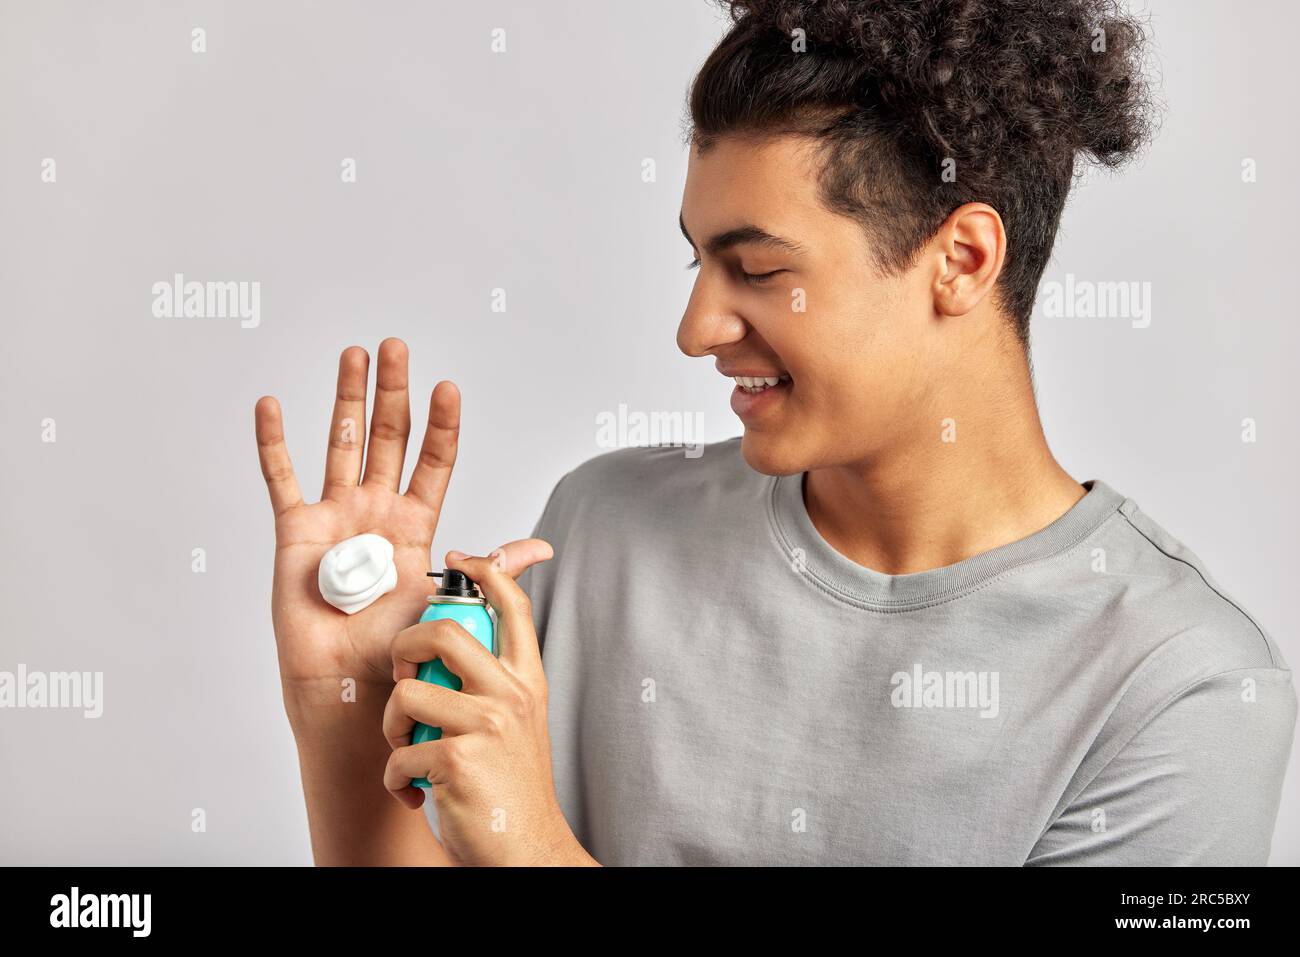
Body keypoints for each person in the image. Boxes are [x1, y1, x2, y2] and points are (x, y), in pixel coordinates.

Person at [254, 0, 1296, 865]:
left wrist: (537, 849)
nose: (696, 328)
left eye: (757, 271)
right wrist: (342, 713)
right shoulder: (605, 530)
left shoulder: (1179, 686)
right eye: (697, 263)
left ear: (962, 261)